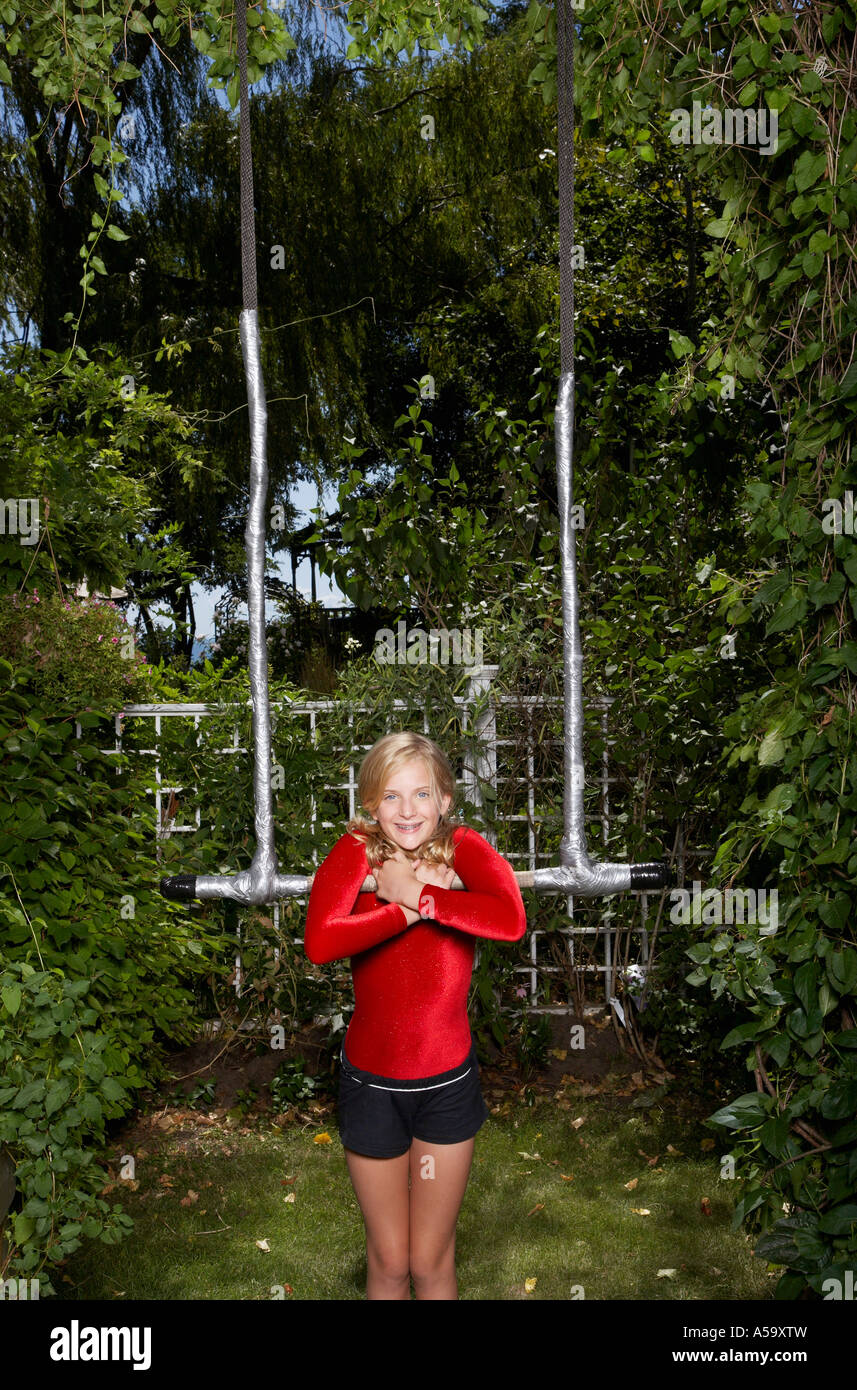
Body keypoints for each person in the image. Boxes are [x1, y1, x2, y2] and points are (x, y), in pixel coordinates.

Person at [304, 730, 527, 1300]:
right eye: (391, 797)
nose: (407, 811)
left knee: (430, 1261)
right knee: (390, 1261)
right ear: (371, 803)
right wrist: (403, 910)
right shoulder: (356, 851)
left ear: (446, 800)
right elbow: (322, 941)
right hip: (371, 1085)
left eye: (422, 795)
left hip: (447, 1085)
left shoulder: (463, 848)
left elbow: (509, 920)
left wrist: (423, 896)